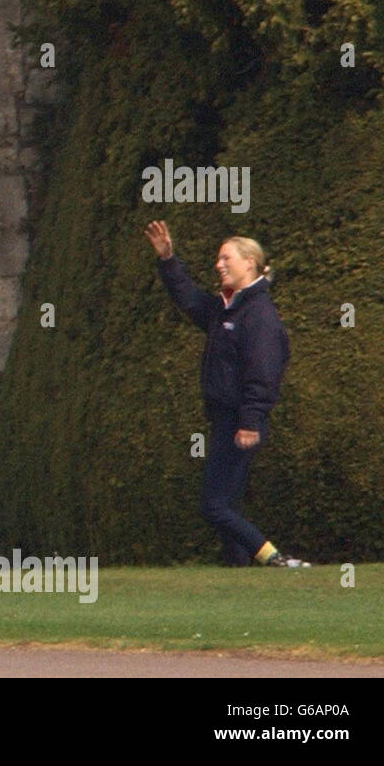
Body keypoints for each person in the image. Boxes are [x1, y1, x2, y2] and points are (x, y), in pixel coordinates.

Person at [144, 220, 307, 567]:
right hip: (225, 420)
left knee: (213, 505)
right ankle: (238, 571)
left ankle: (274, 557)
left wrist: (250, 421)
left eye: (226, 258)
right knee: (226, 503)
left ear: (249, 262)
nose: (219, 265)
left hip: (240, 423)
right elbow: (189, 300)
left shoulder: (258, 314)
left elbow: (263, 374)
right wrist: (168, 259)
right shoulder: (226, 309)